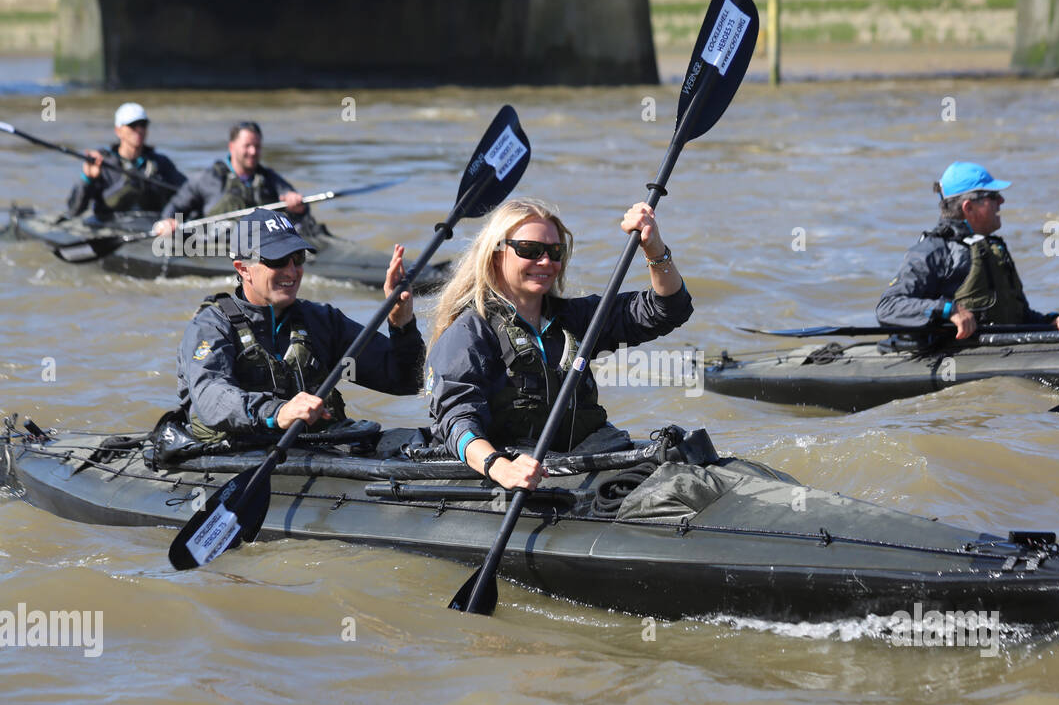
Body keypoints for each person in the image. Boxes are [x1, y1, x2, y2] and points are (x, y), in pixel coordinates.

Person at [426, 198, 692, 491]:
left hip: (580, 457)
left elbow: (668, 309)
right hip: (511, 465)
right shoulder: (469, 332)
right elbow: (456, 420)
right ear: (496, 254)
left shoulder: (577, 318)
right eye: (530, 250)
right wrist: (499, 467)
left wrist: (653, 248)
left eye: (555, 252)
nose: (545, 262)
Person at [176, 207, 423, 445]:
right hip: (242, 457)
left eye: (298, 258)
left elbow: (407, 380)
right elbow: (210, 397)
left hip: (314, 452)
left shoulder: (322, 322)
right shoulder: (211, 326)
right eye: (278, 260)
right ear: (244, 269)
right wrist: (277, 411)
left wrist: (401, 322)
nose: (292, 271)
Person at [876, 162, 1059, 338]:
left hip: (1004, 350)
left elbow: (1017, 316)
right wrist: (949, 309)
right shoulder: (934, 251)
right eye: (992, 196)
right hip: (953, 355)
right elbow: (888, 307)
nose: (1002, 201)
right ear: (968, 208)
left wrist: (1050, 321)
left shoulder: (993, 249)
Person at [153, 121, 307, 236]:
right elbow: (175, 206)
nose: (253, 152)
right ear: (232, 147)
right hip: (218, 247)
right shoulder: (206, 179)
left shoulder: (269, 178)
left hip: (261, 247)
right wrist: (168, 221)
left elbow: (296, 203)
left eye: (257, 146)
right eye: (247, 146)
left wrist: (297, 205)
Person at [66, 102, 185, 221]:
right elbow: (74, 211)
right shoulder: (102, 164)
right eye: (132, 125)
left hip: (151, 228)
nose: (139, 130)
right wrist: (88, 179)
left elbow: (188, 193)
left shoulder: (161, 163)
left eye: (143, 124)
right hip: (111, 229)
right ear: (118, 131)